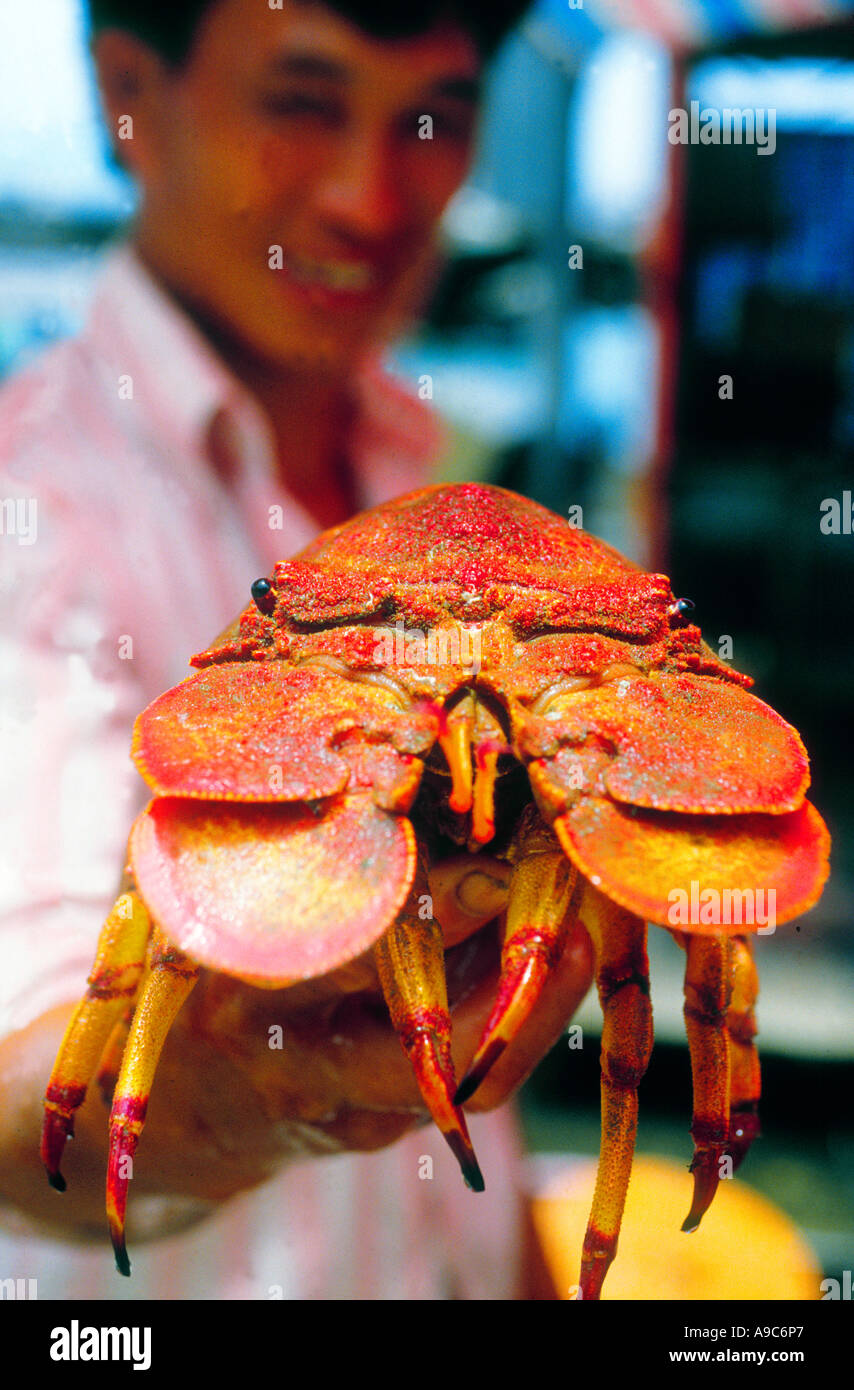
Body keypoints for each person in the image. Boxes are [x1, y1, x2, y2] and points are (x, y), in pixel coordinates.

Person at [0, 0, 593, 1298]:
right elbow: (9, 1095)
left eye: (431, 120)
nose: (369, 199)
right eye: (301, 101)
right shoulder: (33, 524)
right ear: (127, 94)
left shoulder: (425, 485)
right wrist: (263, 1081)